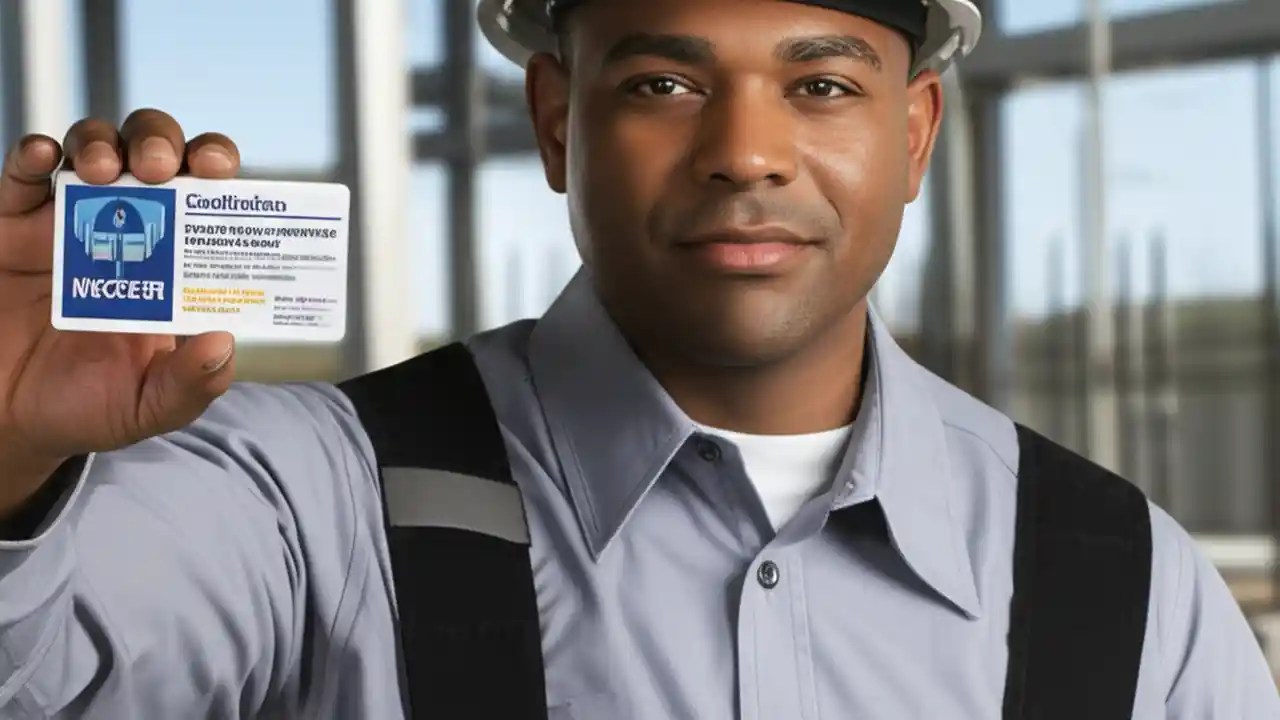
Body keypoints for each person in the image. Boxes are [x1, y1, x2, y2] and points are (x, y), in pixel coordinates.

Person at [0, 0, 1276, 717]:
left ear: (915, 132)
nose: (745, 153)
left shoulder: (1129, 588)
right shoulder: (298, 499)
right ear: (556, 122)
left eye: (821, 87)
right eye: (665, 83)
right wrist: (9, 444)